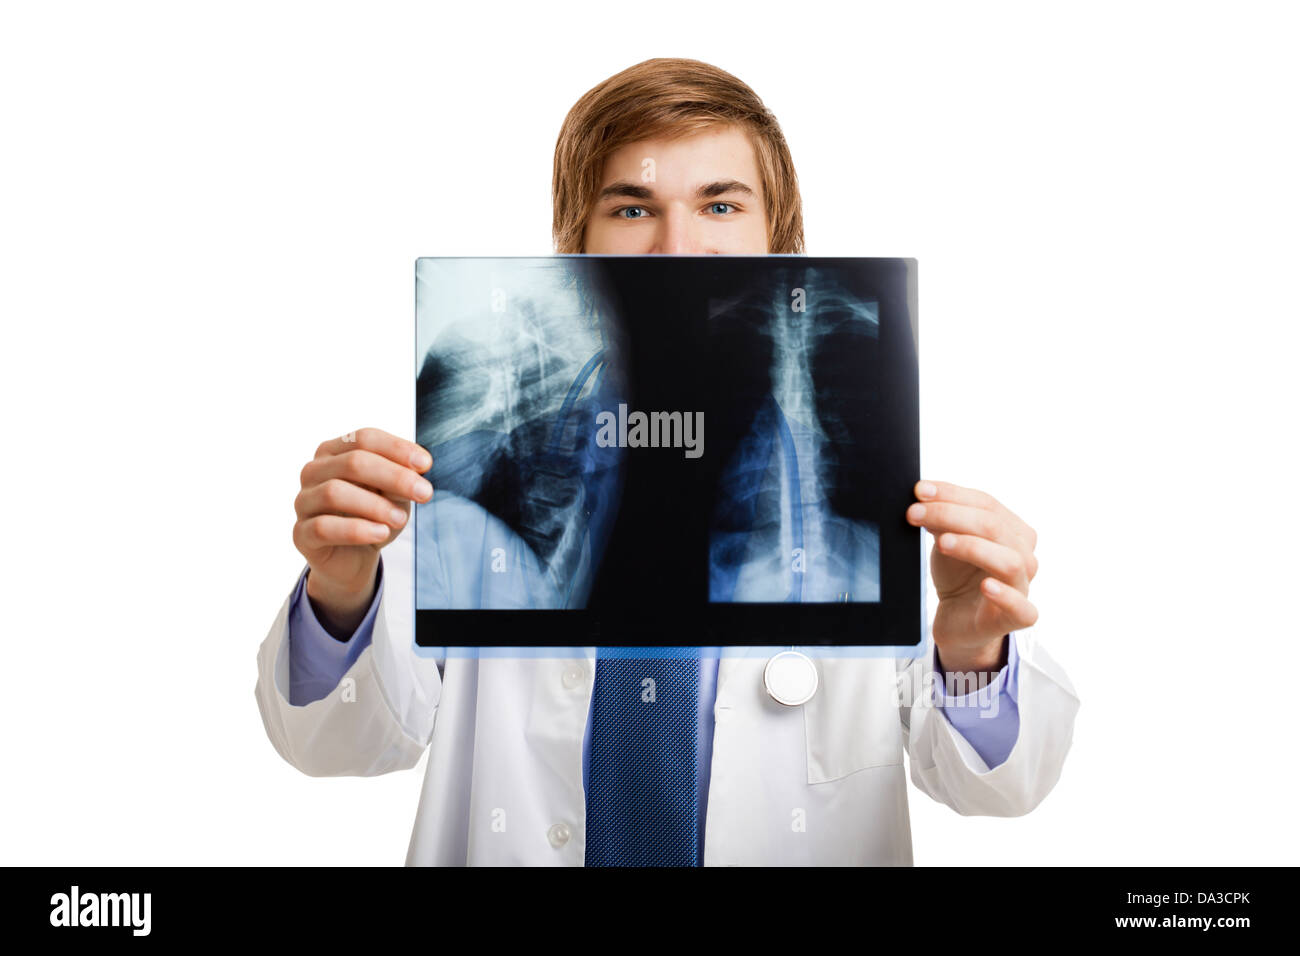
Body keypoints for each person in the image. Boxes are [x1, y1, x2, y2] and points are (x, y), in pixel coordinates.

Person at [255, 57, 1080, 866]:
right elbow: (335, 744)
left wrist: (972, 654)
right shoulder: (469, 497)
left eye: (721, 205)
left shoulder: (876, 515)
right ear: (573, 246)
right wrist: (340, 593)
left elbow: (998, 788)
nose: (677, 247)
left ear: (781, 243)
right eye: (631, 208)